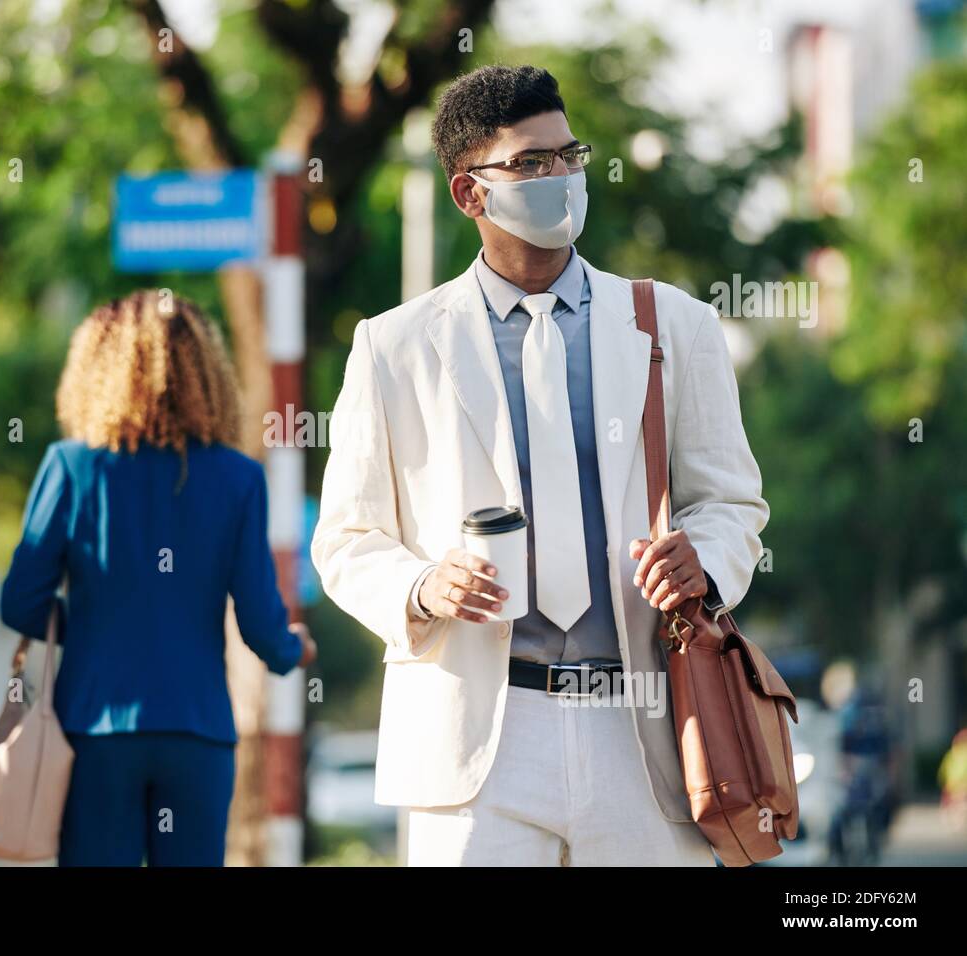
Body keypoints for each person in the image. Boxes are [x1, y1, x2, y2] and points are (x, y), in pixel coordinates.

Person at [312, 65, 768, 866]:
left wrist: (709, 559)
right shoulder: (394, 347)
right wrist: (421, 586)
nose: (559, 177)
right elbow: (346, 539)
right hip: (476, 737)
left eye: (569, 156)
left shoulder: (675, 326)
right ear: (469, 193)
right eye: (530, 163)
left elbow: (733, 504)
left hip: (646, 723)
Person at [0, 289, 316, 867]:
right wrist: (293, 650)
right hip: (197, 732)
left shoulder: (71, 467)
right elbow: (259, 623)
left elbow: (21, 601)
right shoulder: (238, 479)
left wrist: (92, 624)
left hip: (93, 731)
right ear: (207, 373)